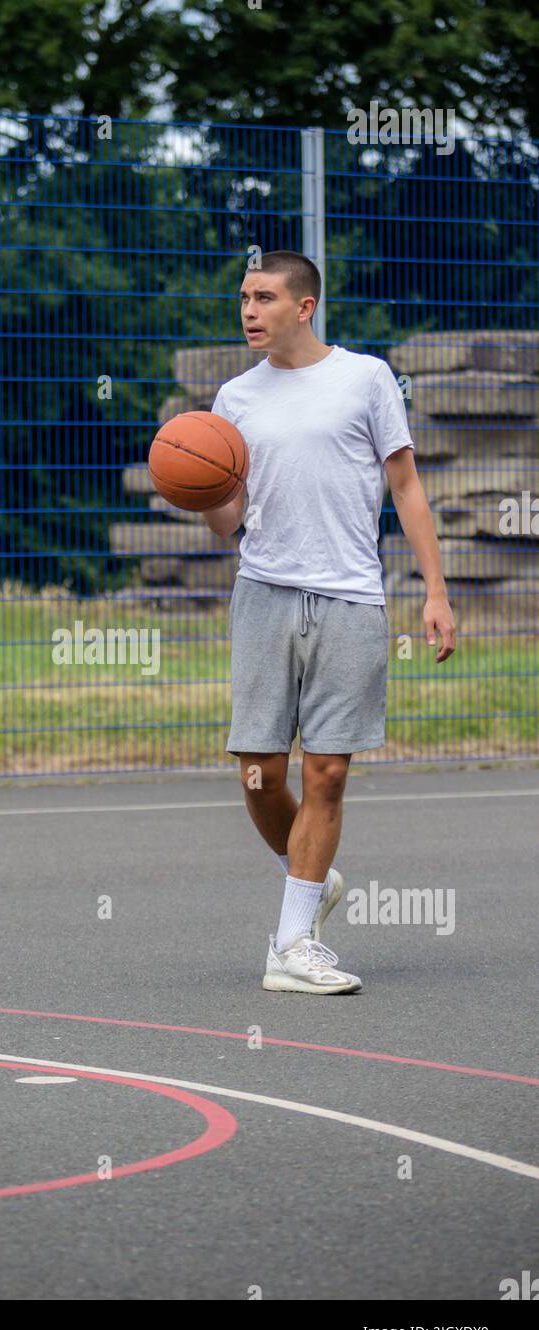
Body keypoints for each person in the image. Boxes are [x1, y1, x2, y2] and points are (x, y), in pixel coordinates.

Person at [203, 250, 456, 994]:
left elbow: (406, 488)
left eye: (264, 297)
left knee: (329, 771)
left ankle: (291, 943)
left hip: (350, 596)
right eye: (244, 298)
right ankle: (312, 880)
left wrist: (435, 591)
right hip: (264, 593)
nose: (249, 310)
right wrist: (195, 487)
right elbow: (228, 519)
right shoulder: (234, 398)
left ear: (304, 307)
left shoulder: (366, 378)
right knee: (257, 772)